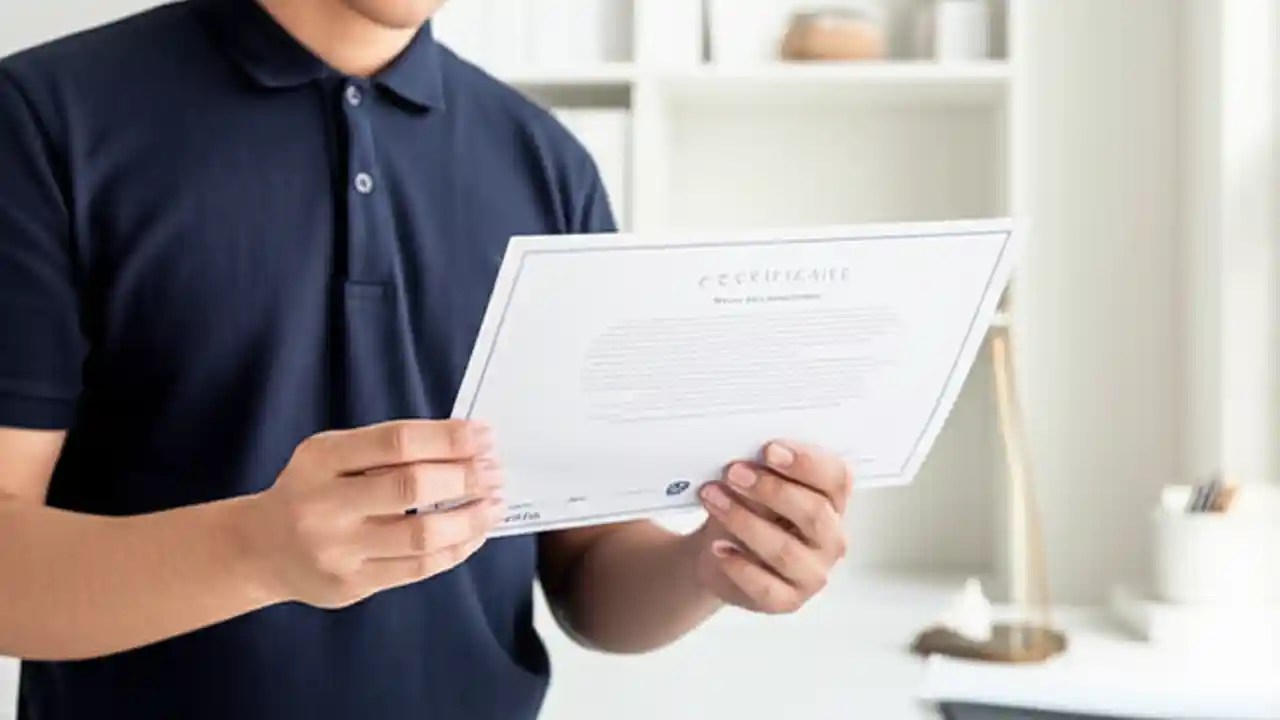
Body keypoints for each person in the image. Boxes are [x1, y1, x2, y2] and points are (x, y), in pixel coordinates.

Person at [0, 0, 854, 718]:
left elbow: (588, 567)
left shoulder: (546, 163)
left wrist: (712, 561)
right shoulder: (42, 119)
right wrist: (254, 550)